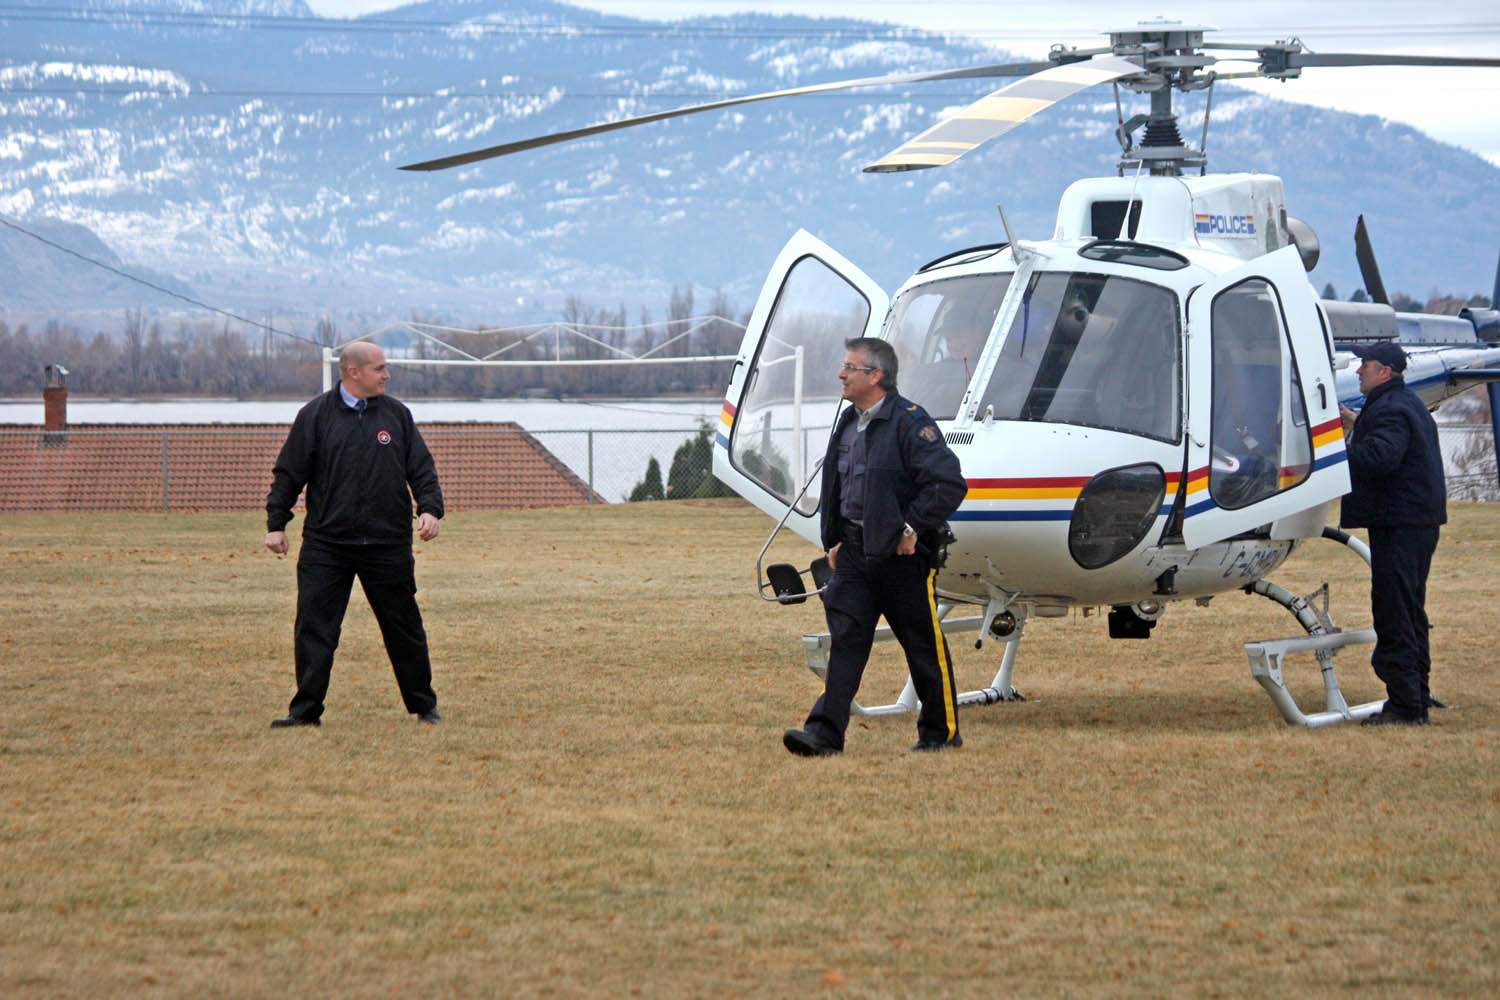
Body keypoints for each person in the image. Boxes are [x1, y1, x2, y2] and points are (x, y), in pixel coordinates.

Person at [782, 337, 969, 756]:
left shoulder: (910, 422)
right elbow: (839, 484)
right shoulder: (848, 422)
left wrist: (910, 527)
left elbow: (948, 485)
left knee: (922, 646)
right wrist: (832, 540)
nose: (841, 375)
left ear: (876, 375)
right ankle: (824, 735)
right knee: (846, 644)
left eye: (850, 367)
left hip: (901, 561)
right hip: (851, 555)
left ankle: (940, 733)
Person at [264, 340, 445, 728]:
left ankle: (424, 707)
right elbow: (289, 472)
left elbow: (422, 469)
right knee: (315, 629)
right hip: (327, 545)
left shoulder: (396, 415)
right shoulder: (315, 416)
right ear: (354, 372)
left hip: (386, 544)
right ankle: (305, 712)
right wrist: (276, 523)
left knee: (404, 628)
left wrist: (429, 509)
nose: (387, 375)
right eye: (380, 368)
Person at [1338, 341, 1446, 727]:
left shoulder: (1391, 409)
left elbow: (1380, 459)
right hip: (1416, 522)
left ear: (1384, 371)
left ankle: (1405, 707)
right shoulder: (1403, 402)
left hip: (1400, 524)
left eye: (1364, 364)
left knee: (1394, 612)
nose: (1357, 371)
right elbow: (1385, 438)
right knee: (1410, 608)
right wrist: (1357, 425)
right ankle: (1418, 691)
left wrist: (1331, 449)